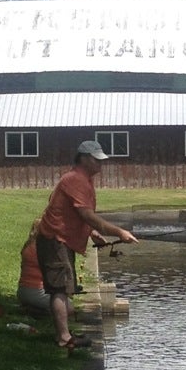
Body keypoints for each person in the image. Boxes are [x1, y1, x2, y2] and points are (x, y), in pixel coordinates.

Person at [35, 140, 137, 349]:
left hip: (61, 240)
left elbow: (78, 216)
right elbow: (87, 215)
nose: (101, 163)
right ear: (84, 158)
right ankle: (64, 338)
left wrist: (93, 233)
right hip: (55, 239)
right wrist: (119, 232)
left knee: (64, 288)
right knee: (60, 289)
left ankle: (65, 334)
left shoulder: (84, 180)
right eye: (96, 159)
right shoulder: (75, 180)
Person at [16, 220, 51, 317]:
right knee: (67, 307)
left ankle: (32, 308)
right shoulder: (41, 248)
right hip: (36, 291)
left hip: (22, 290)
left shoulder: (28, 246)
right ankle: (39, 312)